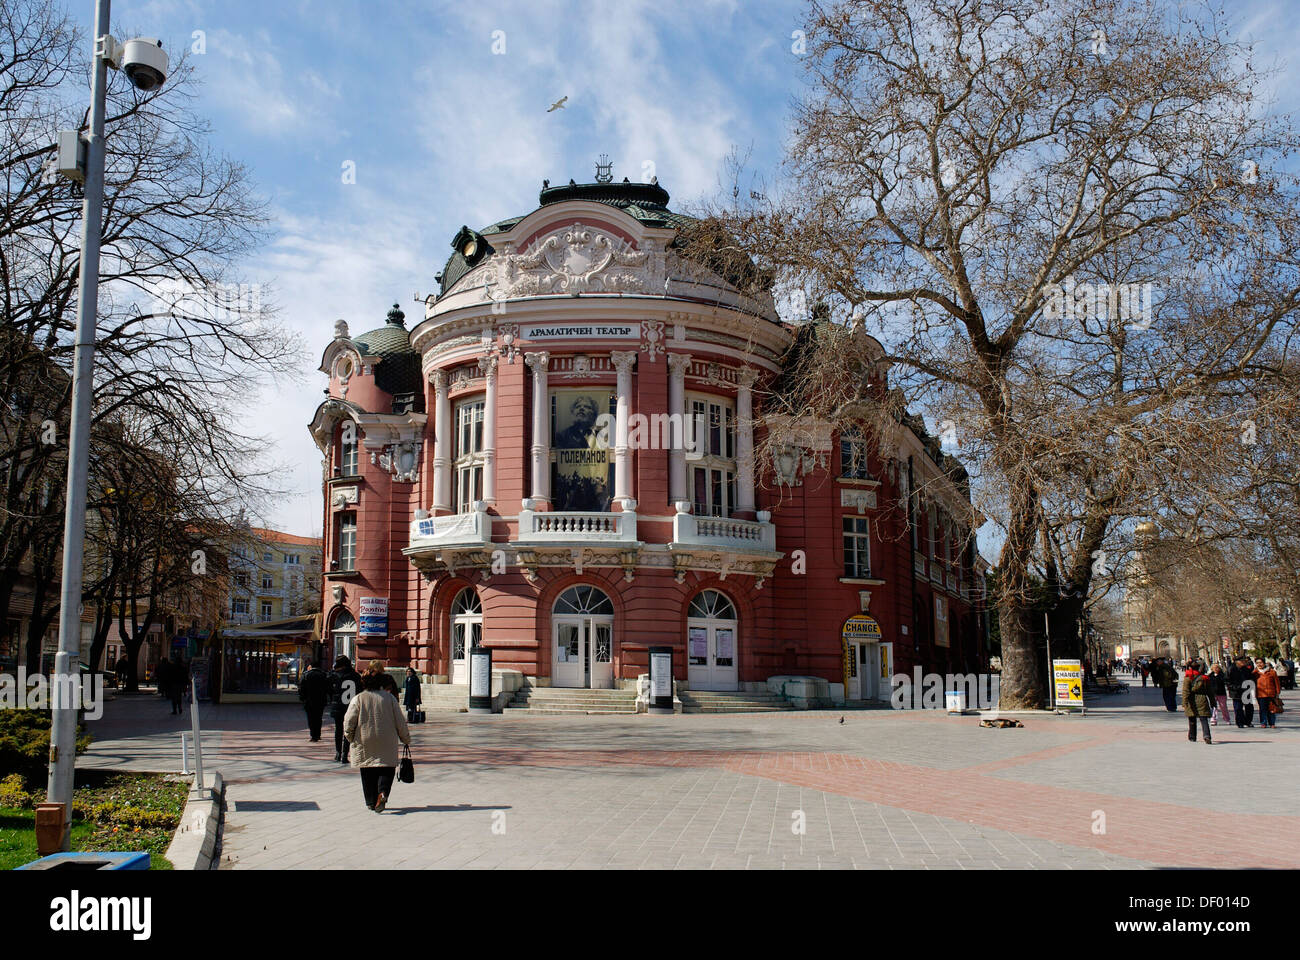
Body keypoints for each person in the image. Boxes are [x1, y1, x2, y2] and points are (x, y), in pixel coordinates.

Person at [343, 670, 411, 813]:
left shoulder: (358, 699)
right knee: (387, 766)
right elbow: (400, 721)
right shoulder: (390, 698)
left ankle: (370, 801)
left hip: (364, 738)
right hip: (387, 738)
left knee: (367, 768)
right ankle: (383, 792)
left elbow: (349, 721)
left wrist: (349, 737)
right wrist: (405, 738)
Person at [328, 655, 363, 763]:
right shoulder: (356, 676)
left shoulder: (334, 675)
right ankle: (345, 754)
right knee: (349, 730)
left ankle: (338, 753)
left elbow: (329, 689)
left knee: (338, 729)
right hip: (351, 707)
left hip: (337, 706)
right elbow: (360, 691)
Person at [1181, 659, 1213, 744]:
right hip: (1202, 699)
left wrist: (1184, 702)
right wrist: (1213, 702)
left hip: (1191, 700)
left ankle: (1192, 736)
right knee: (1203, 719)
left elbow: (1185, 691)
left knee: (1192, 719)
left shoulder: (1188, 678)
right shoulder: (1205, 678)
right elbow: (1210, 691)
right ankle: (1207, 736)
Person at [298, 660, 329, 742]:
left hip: (309, 700)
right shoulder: (323, 675)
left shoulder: (305, 675)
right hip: (320, 700)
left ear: (310, 666)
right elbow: (328, 688)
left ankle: (313, 735)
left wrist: (302, 698)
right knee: (319, 717)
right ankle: (318, 734)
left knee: (311, 718)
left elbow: (301, 687)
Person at [1228, 656, 1256, 728]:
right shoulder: (1231, 669)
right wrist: (1234, 687)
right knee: (1238, 708)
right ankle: (1240, 722)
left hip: (1246, 691)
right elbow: (1227, 681)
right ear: (1237, 662)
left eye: (1244, 661)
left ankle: (1248, 721)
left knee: (1249, 708)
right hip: (1236, 692)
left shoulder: (1246, 669)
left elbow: (1251, 678)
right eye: (1242, 661)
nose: (1244, 662)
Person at [1254, 658, 1280, 729]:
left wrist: (1277, 692)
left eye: (1261, 662)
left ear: (1264, 663)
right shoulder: (1254, 673)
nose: (1259, 664)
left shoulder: (1272, 672)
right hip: (1260, 694)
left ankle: (1272, 723)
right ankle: (1263, 723)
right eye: (1257, 663)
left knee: (1271, 709)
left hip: (1271, 693)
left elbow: (1277, 683)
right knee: (1262, 709)